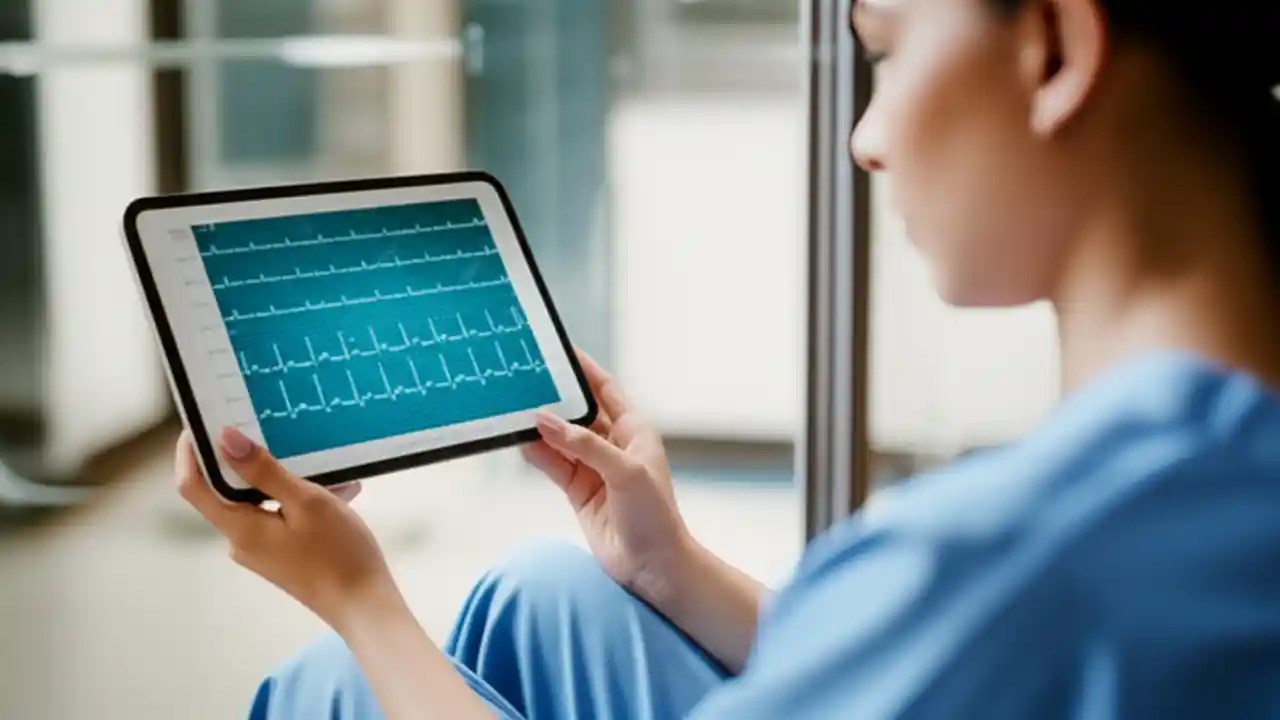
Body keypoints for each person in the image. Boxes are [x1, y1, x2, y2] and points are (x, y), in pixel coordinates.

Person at [174, 0, 1280, 717]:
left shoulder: (1011, 563)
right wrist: (673, 567)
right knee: (549, 594)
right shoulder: (1213, 480)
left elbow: (973, 622)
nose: (865, 137)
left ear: (1051, 49)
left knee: (338, 686)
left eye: (885, 56)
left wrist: (356, 594)